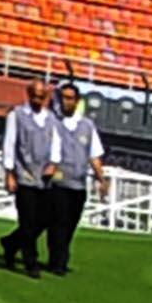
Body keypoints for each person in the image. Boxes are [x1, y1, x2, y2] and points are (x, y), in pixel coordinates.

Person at [0, 82, 67, 271]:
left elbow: (56, 145)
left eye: (41, 96)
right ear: (28, 94)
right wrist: (9, 173)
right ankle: (30, 260)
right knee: (27, 220)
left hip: (44, 177)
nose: (37, 100)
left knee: (43, 219)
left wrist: (53, 163)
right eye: (34, 95)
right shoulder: (16, 115)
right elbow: (9, 144)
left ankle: (11, 243)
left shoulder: (51, 119)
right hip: (23, 173)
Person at [36, 83, 102, 273]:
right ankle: (58, 261)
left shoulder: (87, 126)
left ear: (77, 101)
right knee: (58, 223)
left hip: (78, 185)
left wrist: (101, 179)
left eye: (70, 98)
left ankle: (14, 243)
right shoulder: (52, 123)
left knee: (69, 224)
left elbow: (94, 155)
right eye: (63, 97)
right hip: (57, 182)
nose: (66, 102)